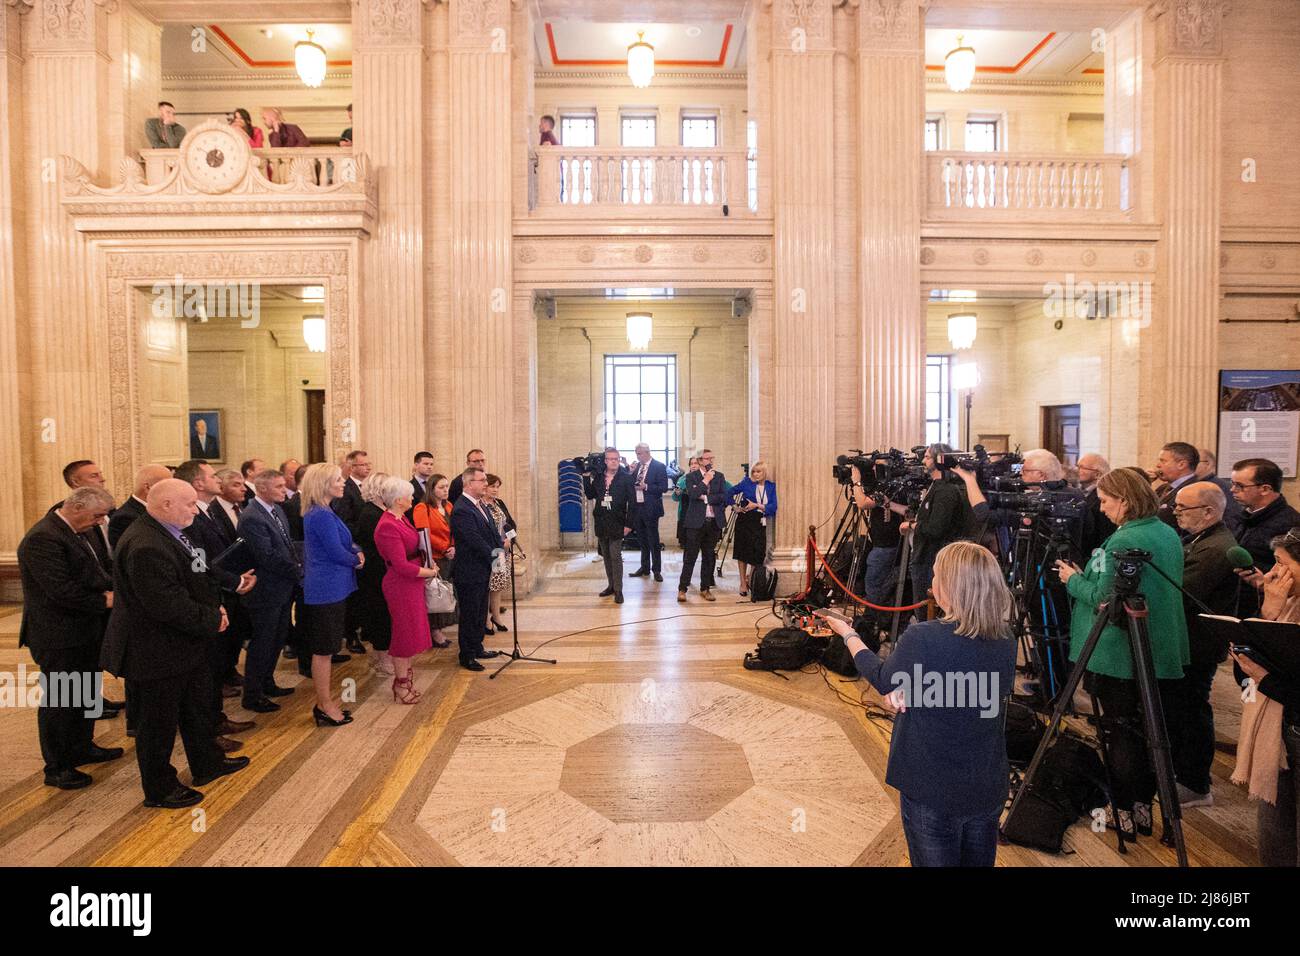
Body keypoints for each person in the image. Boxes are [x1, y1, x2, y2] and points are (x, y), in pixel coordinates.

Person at [817, 542, 1017, 867]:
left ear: (951, 587)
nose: (931, 582)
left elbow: (884, 679)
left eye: (937, 574)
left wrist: (848, 635)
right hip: (986, 784)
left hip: (932, 787)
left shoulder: (923, 637)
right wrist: (921, 692)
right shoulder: (1006, 639)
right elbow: (974, 693)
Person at [1054, 467, 1189, 841]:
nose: (1100, 508)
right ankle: (1143, 808)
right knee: (1146, 732)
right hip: (1156, 647)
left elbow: (1104, 601)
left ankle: (1125, 810)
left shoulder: (1122, 541)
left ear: (1125, 500)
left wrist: (1073, 579)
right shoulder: (1165, 531)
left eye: (1105, 500)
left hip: (1119, 652)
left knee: (1121, 733)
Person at [101, 479, 249, 809]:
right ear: (166, 504)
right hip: (154, 650)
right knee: (158, 724)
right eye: (189, 503)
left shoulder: (170, 530)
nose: (195, 509)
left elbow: (197, 571)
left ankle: (207, 763)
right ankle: (160, 789)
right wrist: (212, 618)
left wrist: (216, 604)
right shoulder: (146, 544)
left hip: (183, 643)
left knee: (195, 708)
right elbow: (165, 604)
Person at [18, 486, 123, 790]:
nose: (102, 521)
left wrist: (113, 588)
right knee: (61, 699)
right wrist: (106, 600)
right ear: (76, 508)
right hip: (57, 634)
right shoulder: (43, 538)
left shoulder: (80, 530)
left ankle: (82, 746)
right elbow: (60, 590)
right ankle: (58, 766)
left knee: (87, 691)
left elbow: (96, 571)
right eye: (98, 515)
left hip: (86, 630)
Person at [174, 460, 257, 753]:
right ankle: (207, 732)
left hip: (220, 593)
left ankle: (216, 719)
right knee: (205, 672)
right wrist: (232, 581)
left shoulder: (208, 511)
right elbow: (199, 562)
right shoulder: (189, 517)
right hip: (207, 599)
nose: (217, 479)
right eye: (211, 476)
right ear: (198, 483)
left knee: (215, 665)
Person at [1231, 529, 1300, 866]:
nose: (1272, 574)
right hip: (1282, 728)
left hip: (1293, 723)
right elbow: (1244, 674)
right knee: (1274, 827)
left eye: (1282, 565)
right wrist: (1268, 611)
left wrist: (1266, 678)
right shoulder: (1288, 606)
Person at [1169, 481, 1240, 808]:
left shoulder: (1216, 547)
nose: (1177, 513)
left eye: (1184, 508)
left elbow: (1181, 590)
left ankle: (1196, 783)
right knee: (1182, 708)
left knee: (1191, 711)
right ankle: (1182, 773)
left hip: (1198, 644)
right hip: (1188, 640)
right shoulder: (1200, 539)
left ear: (1209, 511)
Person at [301, 463, 363, 727]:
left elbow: (346, 541)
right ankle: (324, 704)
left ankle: (325, 701)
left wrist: (355, 550)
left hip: (334, 585)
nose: (342, 484)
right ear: (323, 483)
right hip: (326, 588)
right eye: (338, 480)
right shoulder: (320, 515)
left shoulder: (326, 511)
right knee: (324, 650)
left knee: (327, 647)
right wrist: (356, 558)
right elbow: (336, 552)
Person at [237, 469, 302, 713]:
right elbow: (266, 555)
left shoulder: (276, 510)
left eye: (284, 486)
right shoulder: (252, 516)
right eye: (278, 487)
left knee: (276, 639)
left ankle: (268, 682)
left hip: (282, 586)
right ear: (261, 489)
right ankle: (252, 694)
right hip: (265, 589)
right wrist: (296, 569)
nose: (283, 491)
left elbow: (286, 544)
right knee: (262, 642)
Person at [373, 475, 437, 701]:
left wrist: (428, 562)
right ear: (399, 499)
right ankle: (401, 685)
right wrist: (427, 572)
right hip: (400, 585)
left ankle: (406, 679)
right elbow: (399, 564)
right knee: (403, 635)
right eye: (409, 495)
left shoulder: (401, 518)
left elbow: (415, 547)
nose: (412, 498)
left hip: (412, 582)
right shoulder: (387, 525)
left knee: (411, 633)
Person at [898, 445, 970, 607]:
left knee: (926, 608)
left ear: (940, 460)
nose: (923, 461)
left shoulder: (946, 491)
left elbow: (936, 529)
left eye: (928, 457)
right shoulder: (936, 486)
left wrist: (912, 525)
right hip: (924, 556)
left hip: (931, 559)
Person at [1229, 457, 1300, 617]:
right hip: (1240, 606)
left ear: (1265, 489)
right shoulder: (1245, 517)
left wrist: (1265, 580)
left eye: (1239, 486)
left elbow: (1292, 570)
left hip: (1269, 609)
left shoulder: (1290, 524)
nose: (1232, 490)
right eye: (1232, 484)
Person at [450, 467, 501, 671]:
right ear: (469, 483)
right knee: (470, 613)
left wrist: (499, 557)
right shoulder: (462, 508)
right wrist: (493, 556)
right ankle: (467, 654)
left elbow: (492, 532)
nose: (485, 484)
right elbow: (474, 540)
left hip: (484, 568)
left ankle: (477, 646)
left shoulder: (480, 504)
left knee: (480, 612)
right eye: (481, 480)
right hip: (470, 570)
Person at [354, 473, 395, 674]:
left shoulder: (382, 510)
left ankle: (382, 656)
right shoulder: (370, 513)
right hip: (375, 572)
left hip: (383, 570)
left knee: (384, 614)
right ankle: (382, 658)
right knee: (379, 615)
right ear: (380, 490)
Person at [410, 473, 456, 646]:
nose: (446, 490)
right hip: (435, 557)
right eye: (441, 487)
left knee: (446, 592)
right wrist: (444, 549)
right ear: (432, 489)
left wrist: (454, 547)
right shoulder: (422, 508)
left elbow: (455, 529)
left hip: (451, 555)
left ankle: (441, 627)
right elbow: (424, 535)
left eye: (447, 486)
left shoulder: (449, 505)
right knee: (435, 594)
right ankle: (434, 631)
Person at [584, 448, 633, 605]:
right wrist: (586, 478)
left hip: (618, 522)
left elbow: (632, 503)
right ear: (605, 461)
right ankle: (611, 586)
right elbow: (591, 495)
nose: (613, 461)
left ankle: (618, 590)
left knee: (615, 556)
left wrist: (629, 524)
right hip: (601, 521)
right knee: (606, 556)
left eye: (616, 459)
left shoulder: (626, 478)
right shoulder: (599, 477)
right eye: (610, 459)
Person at [678, 449, 727, 603]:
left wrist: (705, 497)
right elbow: (692, 495)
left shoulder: (719, 476)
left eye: (712, 457)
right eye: (707, 458)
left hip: (713, 522)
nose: (710, 461)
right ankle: (682, 589)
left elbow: (722, 496)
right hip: (695, 523)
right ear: (699, 461)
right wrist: (705, 480)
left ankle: (705, 588)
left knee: (708, 557)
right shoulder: (691, 477)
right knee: (690, 557)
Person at [729, 461, 777, 596]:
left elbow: (773, 506)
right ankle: (743, 583)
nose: (755, 474)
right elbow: (729, 492)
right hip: (745, 520)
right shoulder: (746, 483)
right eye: (754, 471)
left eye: (758, 471)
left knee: (757, 553)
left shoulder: (771, 487)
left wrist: (757, 505)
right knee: (743, 552)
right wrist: (734, 506)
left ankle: (751, 578)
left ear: (764, 473)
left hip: (759, 522)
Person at [627, 443, 669, 582]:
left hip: (651, 508)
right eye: (636, 453)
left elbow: (663, 487)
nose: (637, 456)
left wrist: (647, 486)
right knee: (642, 540)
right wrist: (630, 473)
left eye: (639, 453)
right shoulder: (637, 467)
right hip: (638, 507)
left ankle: (656, 570)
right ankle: (644, 567)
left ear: (647, 452)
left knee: (653, 540)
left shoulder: (659, 466)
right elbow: (631, 484)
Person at [108, 463, 171, 550]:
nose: (172, 490)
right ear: (148, 487)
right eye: (168, 485)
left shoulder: (159, 510)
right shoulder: (125, 517)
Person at [482, 474, 518, 630]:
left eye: (497, 486)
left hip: (501, 551)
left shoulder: (498, 503)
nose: (495, 490)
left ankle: (496, 616)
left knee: (497, 585)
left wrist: (510, 539)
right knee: (486, 585)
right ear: (484, 487)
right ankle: (485, 621)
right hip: (490, 550)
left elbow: (509, 523)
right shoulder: (480, 505)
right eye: (492, 486)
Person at [1153, 441, 1213, 530]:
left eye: (1163, 461)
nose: (1158, 465)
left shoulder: (1194, 490)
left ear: (1181, 464)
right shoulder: (1162, 489)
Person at [1077, 453, 1118, 557]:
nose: (1078, 470)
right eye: (1078, 466)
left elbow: (1103, 531)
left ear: (1097, 474)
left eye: (1083, 467)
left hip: (1097, 553)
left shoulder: (1103, 496)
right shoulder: (1081, 493)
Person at [672, 456, 698, 547]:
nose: (693, 466)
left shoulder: (707, 478)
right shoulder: (683, 479)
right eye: (691, 464)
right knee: (686, 546)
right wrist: (677, 492)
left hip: (701, 515)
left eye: (696, 463)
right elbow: (675, 498)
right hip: (685, 513)